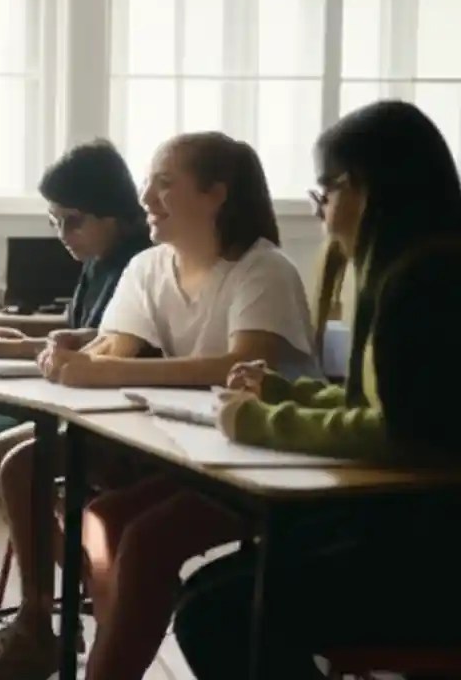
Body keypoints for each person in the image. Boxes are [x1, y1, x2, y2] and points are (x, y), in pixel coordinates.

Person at [175, 100, 461, 679]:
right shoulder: (411, 265)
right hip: (415, 526)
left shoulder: (429, 281)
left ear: (362, 188)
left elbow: (400, 434)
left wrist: (258, 421)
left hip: (437, 557)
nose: (322, 215)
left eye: (323, 196)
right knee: (210, 592)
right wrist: (285, 393)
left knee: (216, 614)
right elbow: (383, 404)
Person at [40, 132, 319, 680]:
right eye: (149, 183)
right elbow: (109, 347)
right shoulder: (148, 266)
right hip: (197, 454)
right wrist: (64, 354)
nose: (146, 198)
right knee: (102, 516)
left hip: (272, 465)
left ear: (216, 194)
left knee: (144, 540)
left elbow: (237, 364)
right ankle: (114, 653)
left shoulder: (264, 269)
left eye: (165, 184)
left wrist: (105, 369)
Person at [0, 140, 152, 679]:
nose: (63, 235)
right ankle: (77, 580)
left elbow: (97, 343)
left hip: (126, 425)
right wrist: (4, 325)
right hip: (85, 415)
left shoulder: (137, 261)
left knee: (19, 467)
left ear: (113, 212)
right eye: (54, 220)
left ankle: (37, 620)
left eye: (73, 221)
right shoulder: (99, 258)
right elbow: (72, 325)